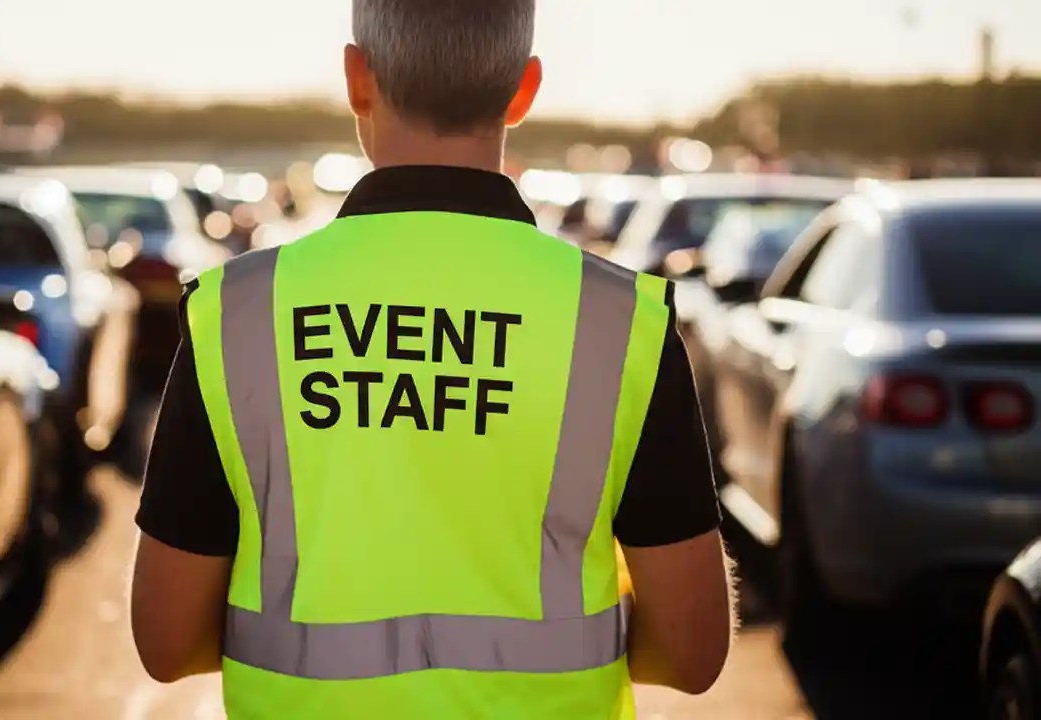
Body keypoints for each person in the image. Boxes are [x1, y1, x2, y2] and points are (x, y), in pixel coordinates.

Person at [129, 1, 733, 717]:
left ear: (358, 77)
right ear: (524, 90)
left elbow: (166, 642)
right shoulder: (618, 322)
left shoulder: (238, 314)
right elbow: (693, 653)